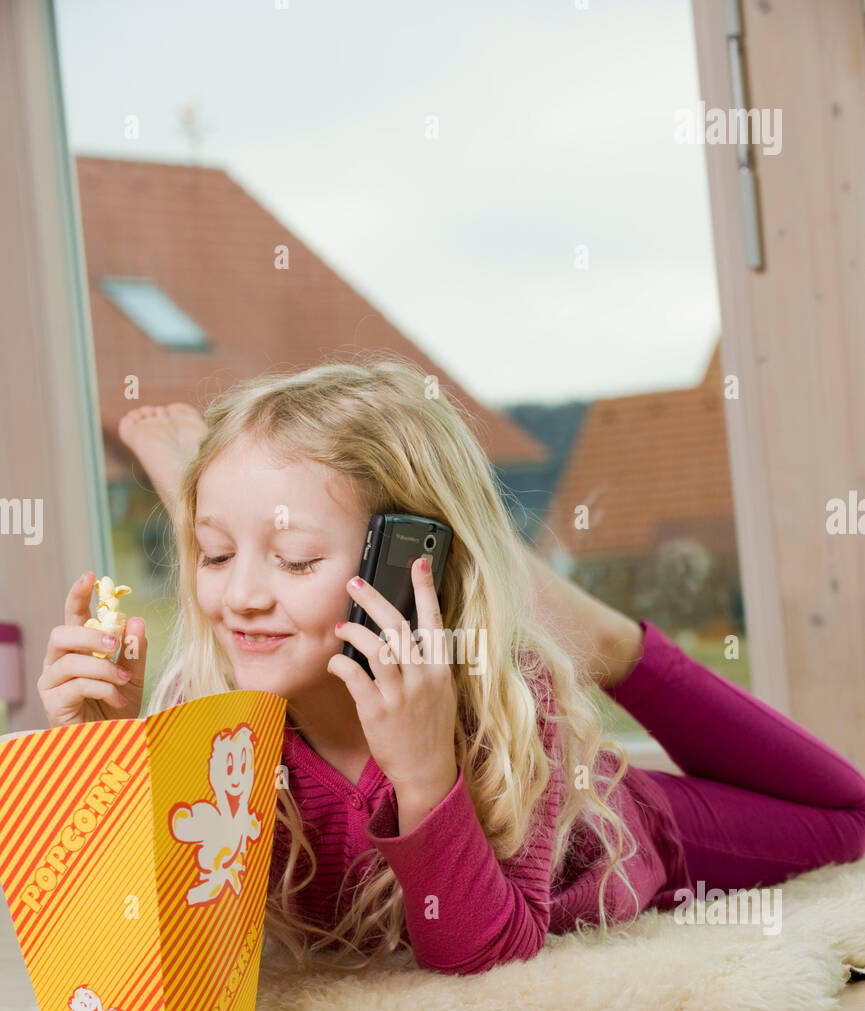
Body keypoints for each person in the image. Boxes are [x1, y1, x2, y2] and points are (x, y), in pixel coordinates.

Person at [36, 357, 865, 977]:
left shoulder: (504, 700)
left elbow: (483, 953)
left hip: (622, 821)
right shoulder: (206, 706)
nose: (242, 598)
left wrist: (424, 772)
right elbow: (138, 947)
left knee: (853, 818)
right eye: (214, 553)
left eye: (293, 560)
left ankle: (603, 640)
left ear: (405, 565)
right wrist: (100, 757)